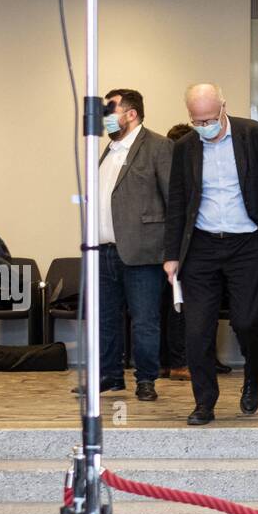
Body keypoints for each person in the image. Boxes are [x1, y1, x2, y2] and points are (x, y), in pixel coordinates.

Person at [164, 83, 258, 425]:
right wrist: (171, 254)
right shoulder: (185, 147)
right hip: (201, 246)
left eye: (210, 118)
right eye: (197, 120)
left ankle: (251, 375)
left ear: (223, 108)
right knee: (196, 330)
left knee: (246, 320)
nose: (205, 126)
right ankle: (205, 401)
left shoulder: (254, 134)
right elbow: (177, 203)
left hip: (247, 244)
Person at [95, 89, 172, 401]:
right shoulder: (108, 149)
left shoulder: (158, 146)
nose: (105, 117)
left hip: (143, 251)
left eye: (111, 110)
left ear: (131, 113)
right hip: (103, 250)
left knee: (145, 321)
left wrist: (172, 252)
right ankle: (109, 376)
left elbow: (172, 200)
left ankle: (146, 380)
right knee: (105, 320)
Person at [159, 122, 194, 381]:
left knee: (162, 309)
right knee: (178, 309)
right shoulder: (180, 172)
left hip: (158, 248)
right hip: (179, 248)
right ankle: (180, 363)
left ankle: (164, 362)